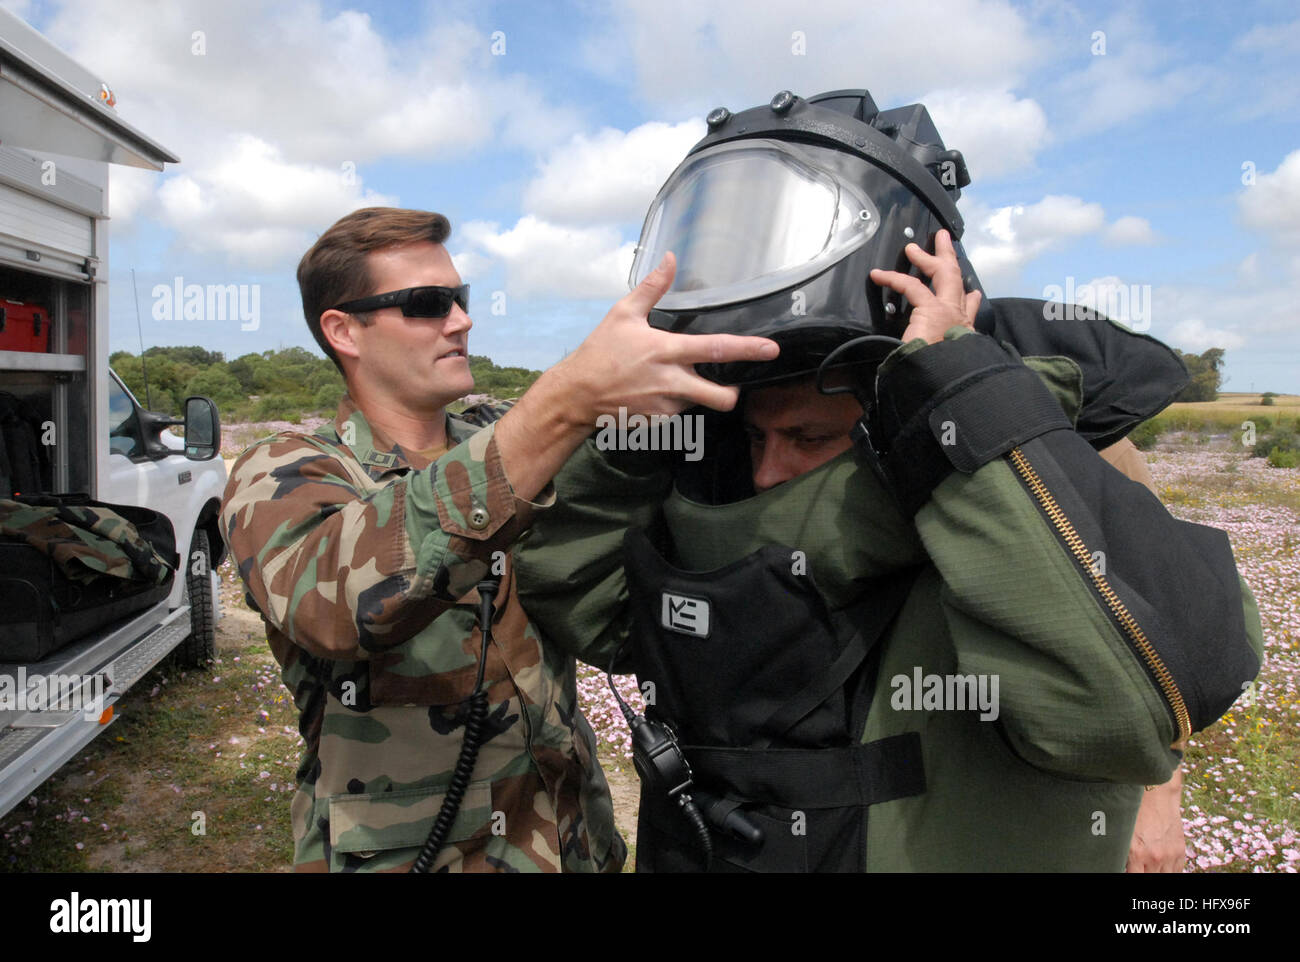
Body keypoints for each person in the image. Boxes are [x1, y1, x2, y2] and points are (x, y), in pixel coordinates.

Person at [512, 89, 1263, 872]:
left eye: (807, 437)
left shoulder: (1052, 454)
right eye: (758, 434)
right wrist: (631, 435)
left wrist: (960, 401)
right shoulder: (715, 474)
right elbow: (591, 608)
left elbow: (1119, 714)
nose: (768, 469)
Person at [218, 206, 777, 872]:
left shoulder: (509, 444)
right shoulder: (286, 469)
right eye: (426, 304)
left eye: (459, 298)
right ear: (344, 331)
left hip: (572, 848)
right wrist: (563, 401)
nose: (461, 320)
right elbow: (335, 606)